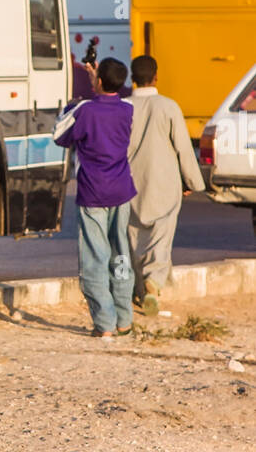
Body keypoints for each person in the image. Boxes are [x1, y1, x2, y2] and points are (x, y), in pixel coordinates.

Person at [53, 56, 136, 339]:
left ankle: (105, 323)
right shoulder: (128, 109)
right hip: (122, 189)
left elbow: (59, 134)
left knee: (94, 257)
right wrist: (97, 84)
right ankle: (125, 318)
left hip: (92, 193)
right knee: (120, 252)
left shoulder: (84, 110)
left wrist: (79, 100)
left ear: (99, 80)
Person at [126, 53, 205, 315]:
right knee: (160, 236)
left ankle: (139, 287)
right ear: (156, 76)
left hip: (130, 182)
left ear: (132, 78)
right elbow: (183, 148)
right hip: (164, 182)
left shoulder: (124, 107)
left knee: (134, 236)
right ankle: (154, 283)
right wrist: (192, 180)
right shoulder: (168, 106)